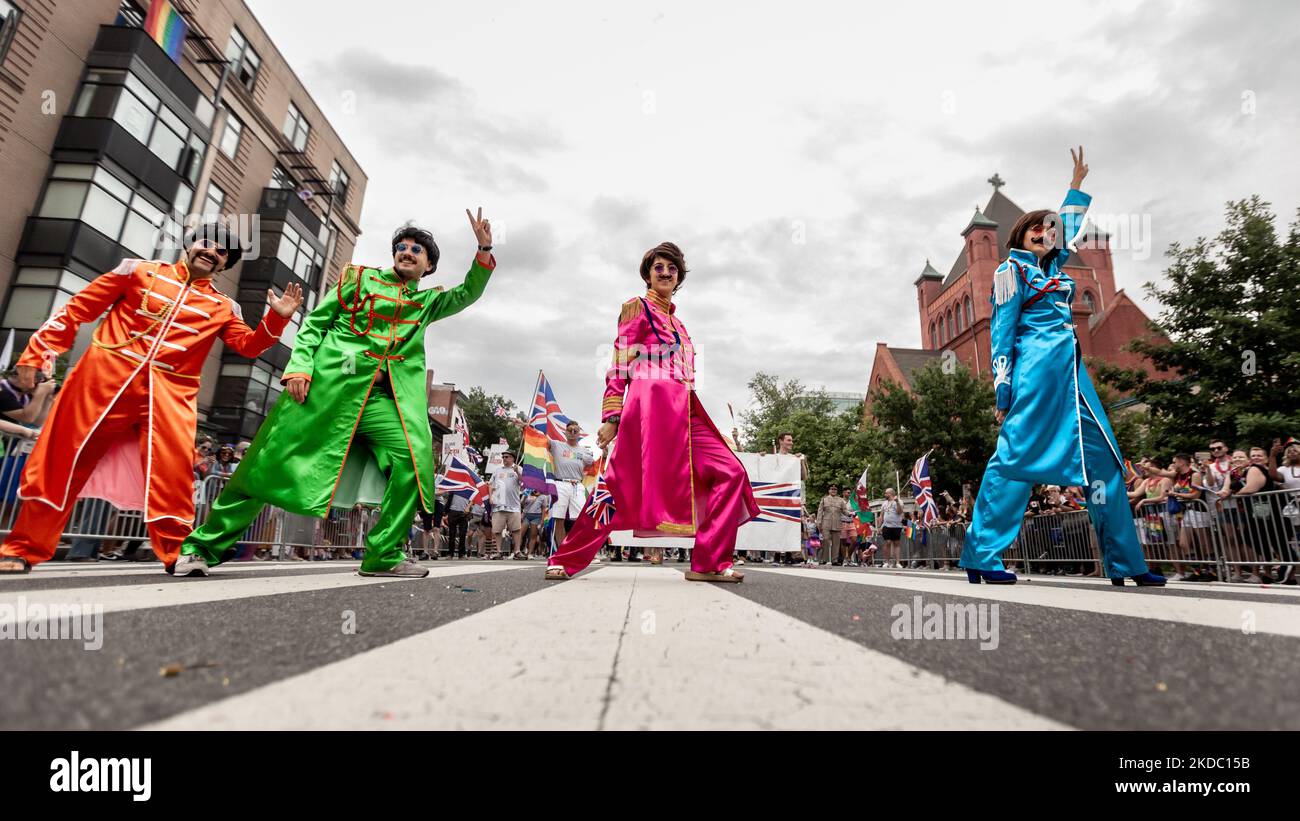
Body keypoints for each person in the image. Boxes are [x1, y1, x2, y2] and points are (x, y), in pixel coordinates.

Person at [176, 212, 497, 578]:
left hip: (379, 402)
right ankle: (201, 548)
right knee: (264, 467)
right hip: (324, 390)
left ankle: (383, 555)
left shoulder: (427, 304)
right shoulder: (355, 277)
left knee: (414, 458)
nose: (407, 252)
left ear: (428, 266)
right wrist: (298, 366)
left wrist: (484, 248)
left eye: (417, 250)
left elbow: (468, 291)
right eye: (402, 247)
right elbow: (315, 324)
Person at [0, 222, 301, 575]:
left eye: (222, 253)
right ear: (191, 246)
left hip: (170, 397)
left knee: (172, 475)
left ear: (224, 265)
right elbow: (77, 310)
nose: (213, 252)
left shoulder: (223, 306)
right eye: (208, 244)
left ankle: (177, 554)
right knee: (62, 460)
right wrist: (37, 355)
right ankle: (22, 548)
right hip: (99, 384)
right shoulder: (136, 271)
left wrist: (276, 320)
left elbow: (249, 346)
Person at [959, 147, 1164, 587]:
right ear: (1019, 236)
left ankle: (1127, 564)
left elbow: (1064, 228)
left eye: (1048, 229)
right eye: (1035, 228)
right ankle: (983, 554)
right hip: (1035, 373)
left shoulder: (1053, 265)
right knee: (1014, 461)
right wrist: (1003, 387)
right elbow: (1001, 332)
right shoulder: (1009, 273)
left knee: (1104, 464)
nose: (1043, 232)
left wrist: (1075, 187)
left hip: (1073, 377)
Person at [545, 242, 759, 582]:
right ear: (648, 274)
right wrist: (612, 417)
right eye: (658, 267)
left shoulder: (682, 326)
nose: (665, 272)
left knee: (731, 472)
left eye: (671, 269)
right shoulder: (636, 309)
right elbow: (619, 363)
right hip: (647, 415)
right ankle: (567, 558)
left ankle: (709, 562)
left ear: (678, 278)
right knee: (614, 490)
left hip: (687, 413)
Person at [489, 451, 525, 559]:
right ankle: (499, 552)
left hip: (513, 505)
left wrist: (517, 472)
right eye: (503, 457)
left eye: (507, 457)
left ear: (513, 458)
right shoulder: (497, 470)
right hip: (499, 505)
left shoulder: (518, 469)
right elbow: (491, 485)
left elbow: (524, 483)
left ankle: (517, 551)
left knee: (516, 530)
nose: (504, 459)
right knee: (497, 530)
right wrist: (491, 496)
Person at [878, 488, 904, 568]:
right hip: (886, 525)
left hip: (897, 526)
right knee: (887, 542)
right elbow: (881, 515)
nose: (885, 495)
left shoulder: (899, 501)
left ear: (891, 494)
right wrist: (879, 526)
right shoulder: (884, 503)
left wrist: (897, 502)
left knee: (896, 543)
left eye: (886, 493)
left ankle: (897, 562)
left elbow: (899, 512)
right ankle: (886, 561)